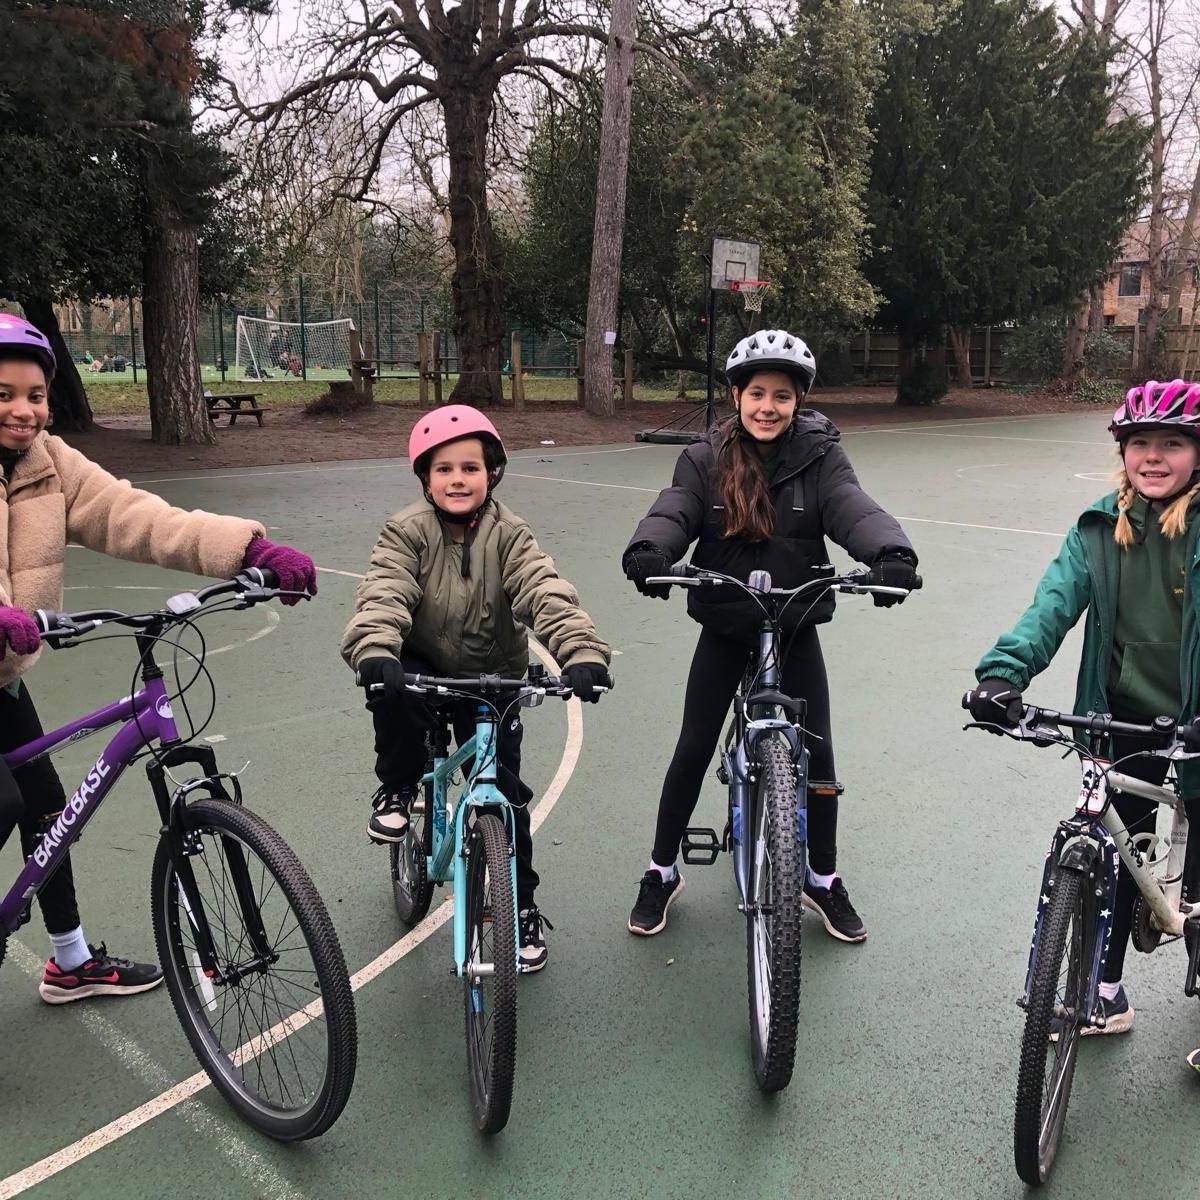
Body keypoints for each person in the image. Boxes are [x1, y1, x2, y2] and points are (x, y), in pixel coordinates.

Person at [0, 314, 318, 1003]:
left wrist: (249, 551)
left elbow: (133, 514)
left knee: (46, 808)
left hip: (2, 681)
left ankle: (69, 961)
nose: (24, 410)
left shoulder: (48, 463)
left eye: (36, 395)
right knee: (6, 799)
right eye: (3, 394)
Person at [622, 329, 919, 941]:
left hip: (794, 621)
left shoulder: (821, 455)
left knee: (820, 750)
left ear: (798, 401)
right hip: (727, 620)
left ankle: (822, 877)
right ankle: (661, 869)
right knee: (694, 744)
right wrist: (653, 549)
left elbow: (851, 506)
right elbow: (676, 507)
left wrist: (889, 553)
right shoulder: (704, 458)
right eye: (756, 393)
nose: (768, 407)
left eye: (782, 396)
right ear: (736, 396)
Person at [967, 378, 1200, 1047]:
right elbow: (1053, 603)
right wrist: (1003, 674)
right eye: (1140, 443)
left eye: (1172, 443)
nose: (1153, 457)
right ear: (1123, 452)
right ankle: (1103, 989)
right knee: (1117, 852)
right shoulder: (1100, 527)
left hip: (1196, 716)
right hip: (1123, 715)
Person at [341, 405, 612, 972]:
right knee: (394, 698)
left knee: (508, 799)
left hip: (490, 671)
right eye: (444, 469)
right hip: (420, 665)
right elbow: (385, 590)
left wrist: (580, 652)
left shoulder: (509, 534)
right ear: (426, 478)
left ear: (493, 473)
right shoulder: (406, 530)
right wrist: (376, 649)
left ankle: (523, 906)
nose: (458, 479)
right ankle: (397, 790)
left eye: (470, 467)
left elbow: (543, 590)